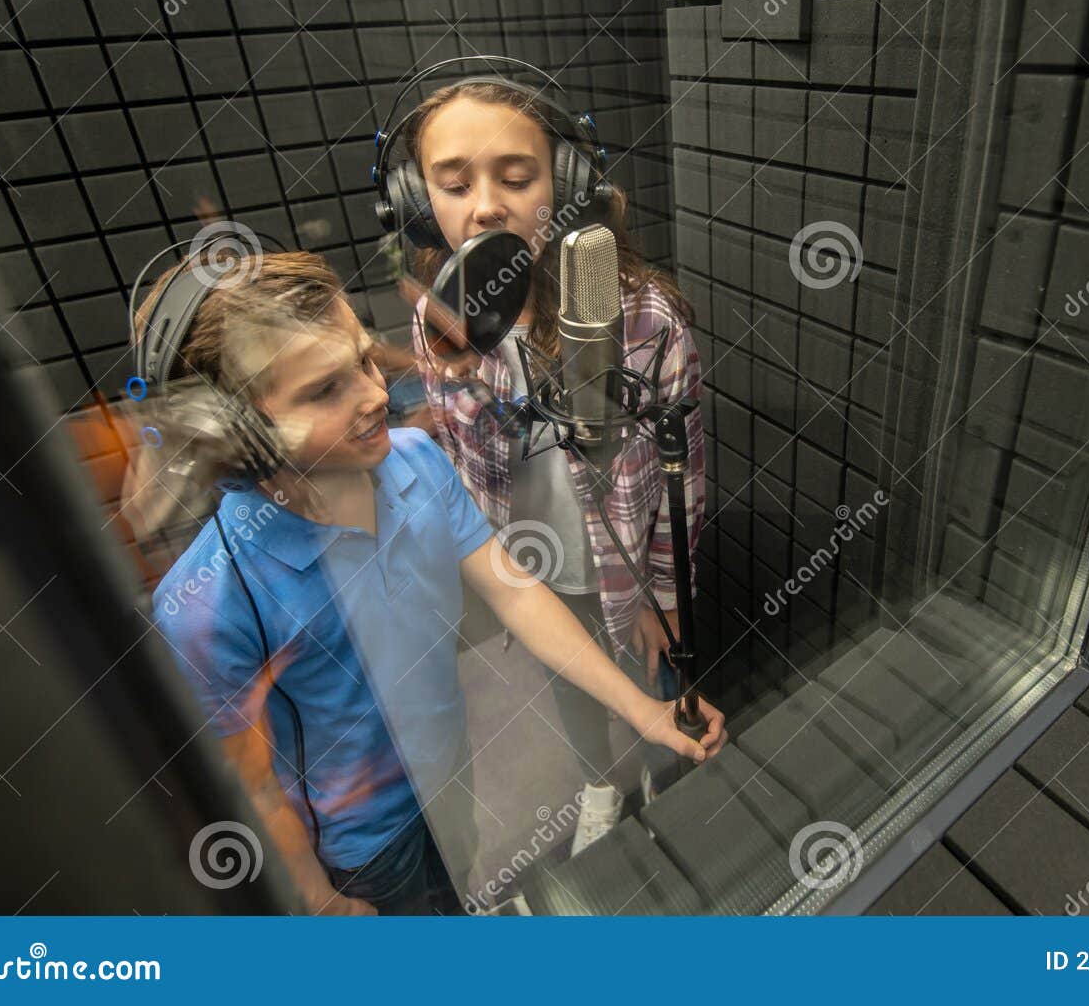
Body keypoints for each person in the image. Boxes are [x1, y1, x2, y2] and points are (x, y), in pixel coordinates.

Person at [134, 250, 724, 915]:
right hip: (365, 843)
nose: (378, 394)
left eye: (363, 359)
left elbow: (516, 592)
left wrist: (640, 707)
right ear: (233, 433)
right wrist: (317, 898)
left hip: (452, 775)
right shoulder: (210, 598)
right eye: (326, 389)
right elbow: (250, 786)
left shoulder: (416, 459)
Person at [394, 76, 708, 855]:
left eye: (517, 176)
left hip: (627, 565)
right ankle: (599, 785)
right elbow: (464, 461)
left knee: (657, 682)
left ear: (564, 184)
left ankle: (670, 792)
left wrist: (660, 594)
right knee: (569, 685)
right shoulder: (441, 321)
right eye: (454, 182)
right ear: (414, 196)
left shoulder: (642, 319)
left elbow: (686, 481)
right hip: (536, 565)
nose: (486, 204)